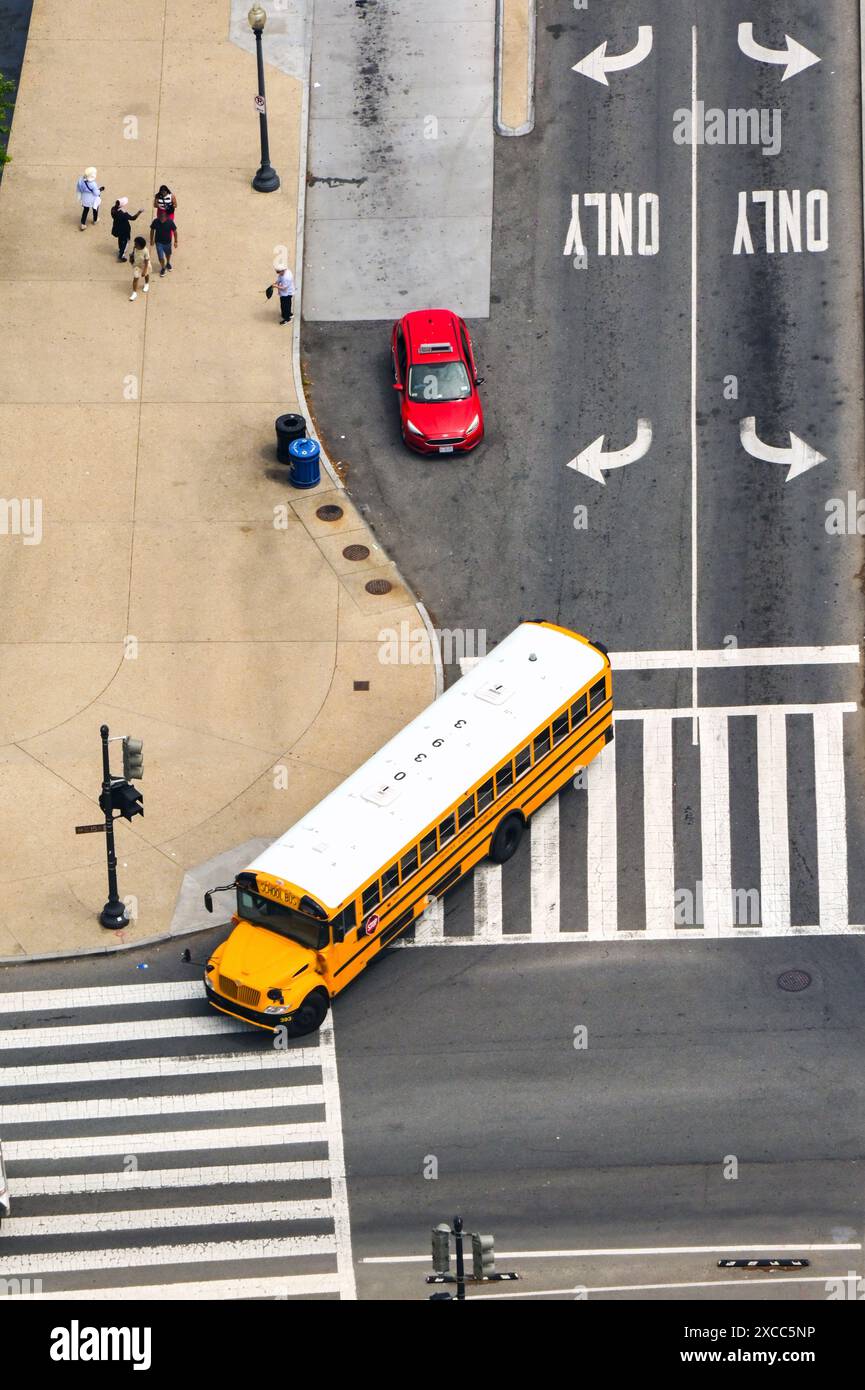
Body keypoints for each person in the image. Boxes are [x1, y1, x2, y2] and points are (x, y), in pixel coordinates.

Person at [149, 207, 178, 275]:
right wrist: (151, 239)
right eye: (160, 214)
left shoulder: (170, 222)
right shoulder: (155, 221)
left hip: (168, 242)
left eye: (163, 214)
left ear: (166, 215)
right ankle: (163, 268)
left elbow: (175, 231)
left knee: (168, 254)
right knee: (160, 257)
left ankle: (168, 263)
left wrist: (176, 241)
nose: (161, 215)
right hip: (158, 242)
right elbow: (152, 230)